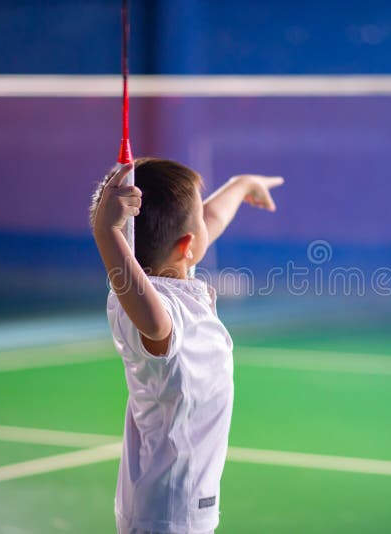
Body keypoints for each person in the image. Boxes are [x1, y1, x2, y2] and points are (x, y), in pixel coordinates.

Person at [90, 157, 283, 534]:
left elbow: (209, 219)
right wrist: (106, 232)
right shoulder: (148, 310)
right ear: (186, 246)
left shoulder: (176, 278)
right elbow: (154, 321)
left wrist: (242, 184)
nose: (207, 222)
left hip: (185, 508)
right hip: (164, 514)